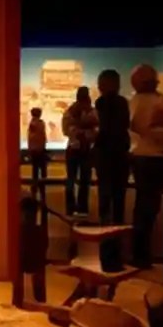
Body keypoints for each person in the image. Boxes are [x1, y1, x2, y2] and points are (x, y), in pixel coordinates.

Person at [129, 64, 163, 266]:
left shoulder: (133, 102)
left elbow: (135, 127)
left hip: (141, 156)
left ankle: (140, 252)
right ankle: (142, 253)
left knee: (143, 205)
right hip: (157, 158)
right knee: (149, 206)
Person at [93, 69, 131, 225]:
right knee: (119, 192)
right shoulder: (122, 102)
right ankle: (118, 221)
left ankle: (105, 219)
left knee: (104, 189)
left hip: (104, 152)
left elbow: (103, 127)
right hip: (120, 151)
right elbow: (125, 124)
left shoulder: (100, 102)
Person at [61, 86, 98, 216]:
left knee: (71, 179)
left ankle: (71, 208)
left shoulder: (70, 112)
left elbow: (66, 130)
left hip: (73, 148)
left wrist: (77, 129)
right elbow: (95, 131)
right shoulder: (92, 112)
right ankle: (82, 207)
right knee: (84, 181)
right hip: (85, 149)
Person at [26, 107, 48, 198]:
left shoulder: (32, 124)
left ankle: (36, 185)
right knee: (41, 169)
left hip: (35, 149)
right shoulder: (40, 123)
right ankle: (41, 185)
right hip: (39, 149)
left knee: (35, 169)